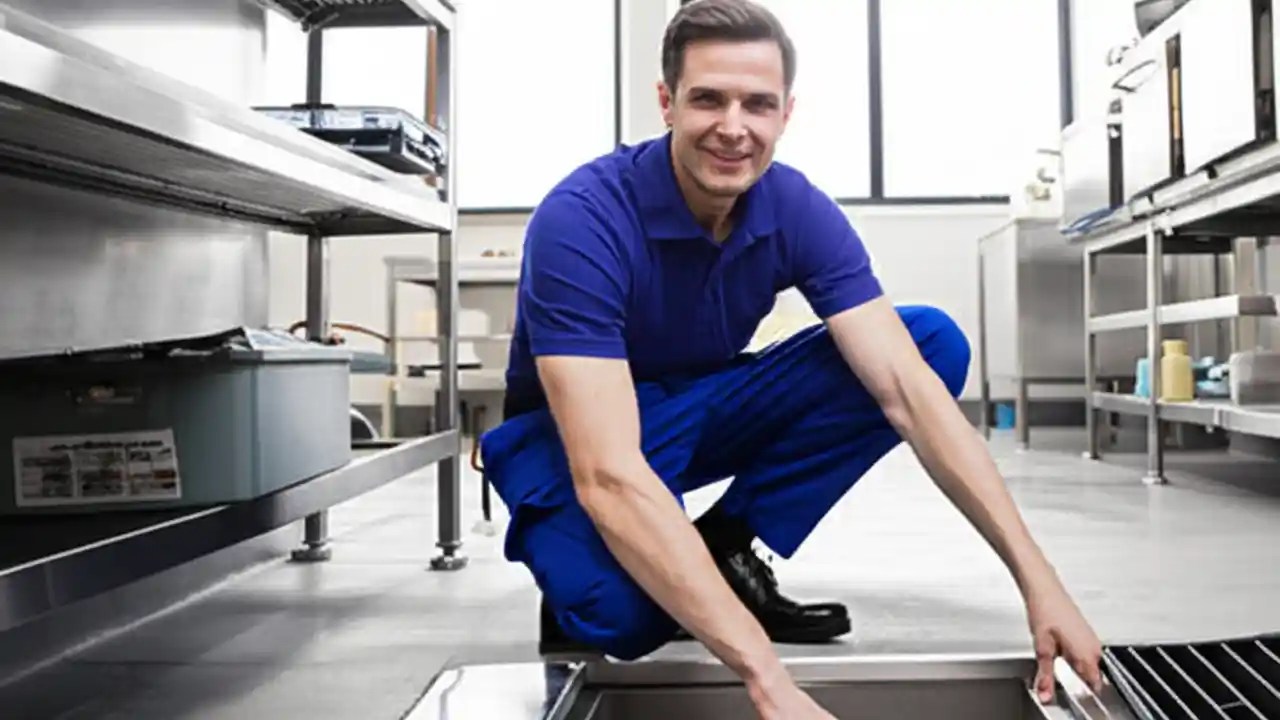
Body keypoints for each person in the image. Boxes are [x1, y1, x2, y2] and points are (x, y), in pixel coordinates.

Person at [478, 0, 1104, 717]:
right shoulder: (583, 218)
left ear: (786, 112)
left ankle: (720, 546)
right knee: (624, 621)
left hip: (698, 405)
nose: (733, 127)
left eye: (758, 104)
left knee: (927, 345)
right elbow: (609, 471)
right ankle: (601, 567)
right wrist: (766, 676)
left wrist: (1040, 582)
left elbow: (907, 389)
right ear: (666, 102)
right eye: (708, 99)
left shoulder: (794, 208)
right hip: (573, 436)